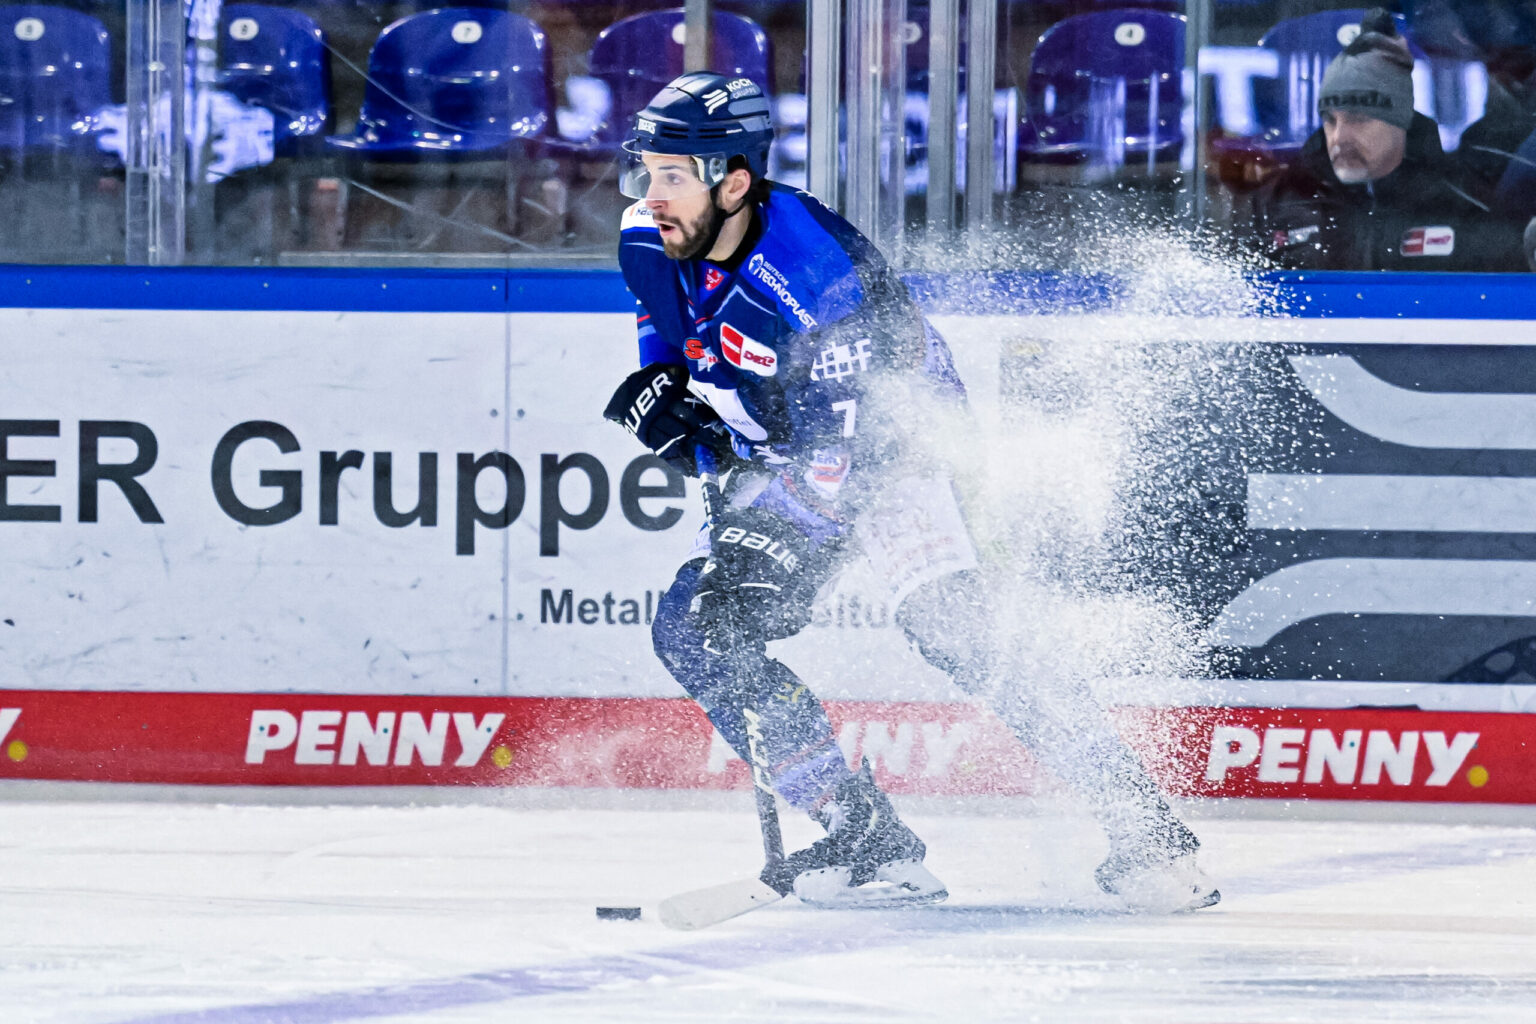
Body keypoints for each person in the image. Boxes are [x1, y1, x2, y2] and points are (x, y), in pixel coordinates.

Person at [603, 71, 1219, 912]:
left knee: (963, 627)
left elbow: (853, 445)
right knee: (698, 628)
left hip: (901, 450)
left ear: (734, 181)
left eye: (673, 173)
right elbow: (670, 342)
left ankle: (1145, 829)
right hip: (797, 444)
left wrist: (768, 538)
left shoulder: (815, 276)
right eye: (648, 169)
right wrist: (673, 411)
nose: (651, 192)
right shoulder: (651, 233)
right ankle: (864, 839)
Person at [1252, 9, 1524, 271]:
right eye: (1330, 120)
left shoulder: (1463, 206)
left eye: (1360, 119)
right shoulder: (1282, 202)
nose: (1340, 137)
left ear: (1400, 121)